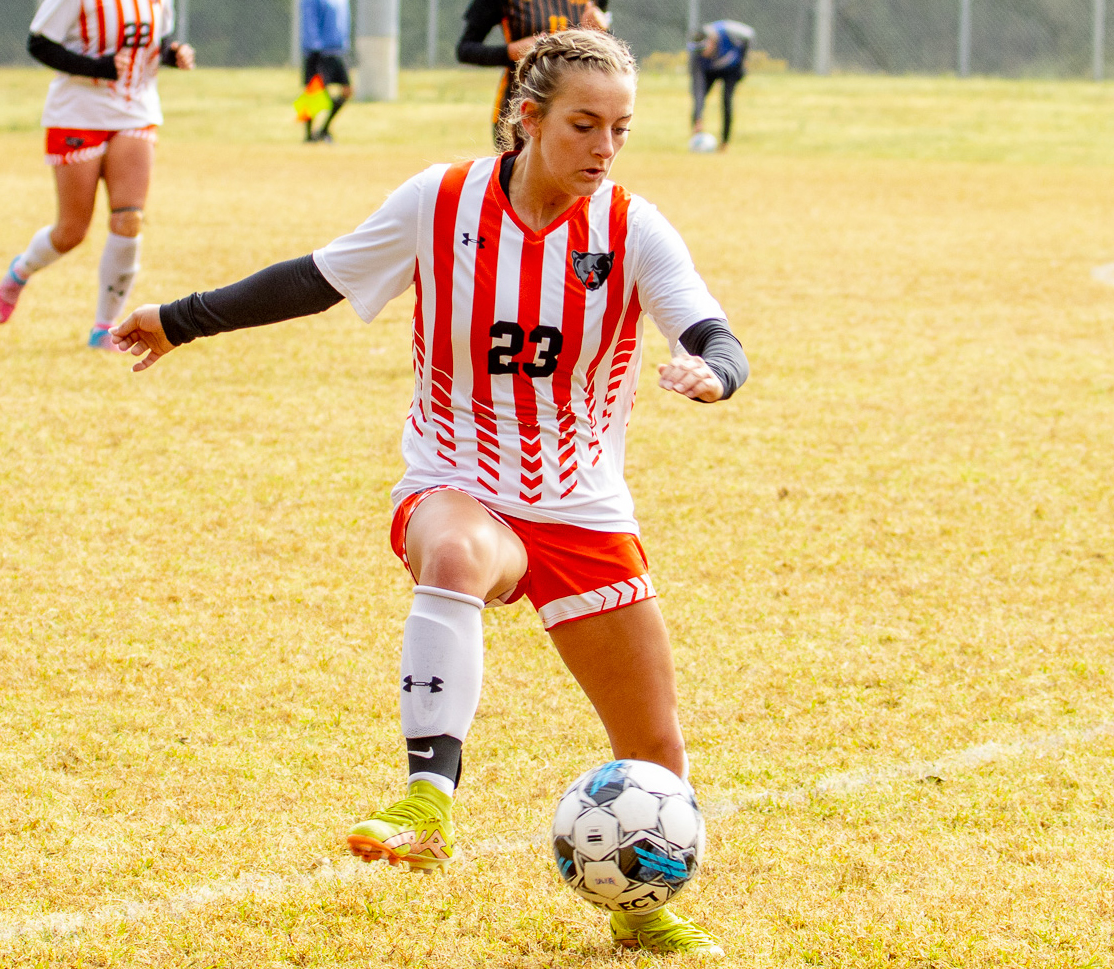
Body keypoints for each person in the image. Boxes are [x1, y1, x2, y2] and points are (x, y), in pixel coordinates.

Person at [110, 29, 746, 957]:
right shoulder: (441, 202)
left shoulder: (632, 227)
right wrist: (179, 319)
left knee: (654, 746)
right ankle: (427, 803)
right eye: (582, 124)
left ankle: (642, 912)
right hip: (460, 480)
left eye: (620, 128)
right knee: (452, 551)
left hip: (581, 506)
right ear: (525, 119)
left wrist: (713, 374)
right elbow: (313, 280)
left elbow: (710, 328)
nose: (604, 148)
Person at [0, 0, 194, 349]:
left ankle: (105, 329)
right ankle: (20, 271)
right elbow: (38, 43)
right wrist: (94, 67)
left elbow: (153, 42)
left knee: (129, 220)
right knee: (71, 231)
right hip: (77, 114)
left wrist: (172, 54)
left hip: (135, 111)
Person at [456, 0, 611, 146]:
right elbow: (465, 49)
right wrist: (510, 52)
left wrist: (600, 33)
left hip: (580, 108)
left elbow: (607, 48)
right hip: (521, 110)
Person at [689, 19, 753, 151]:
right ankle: (697, 139)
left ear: (711, 42)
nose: (702, 54)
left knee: (727, 101)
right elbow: (698, 89)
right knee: (698, 99)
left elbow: (749, 35)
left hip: (731, 70)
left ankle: (725, 143)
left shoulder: (727, 32)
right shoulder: (697, 58)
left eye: (704, 49)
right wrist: (698, 117)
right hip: (710, 72)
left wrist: (743, 62)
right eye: (699, 51)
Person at [300, 0, 352, 143]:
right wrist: (314, 47)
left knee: (347, 91)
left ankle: (323, 130)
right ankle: (309, 136)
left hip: (337, 50)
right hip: (320, 52)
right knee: (314, 92)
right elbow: (310, 21)